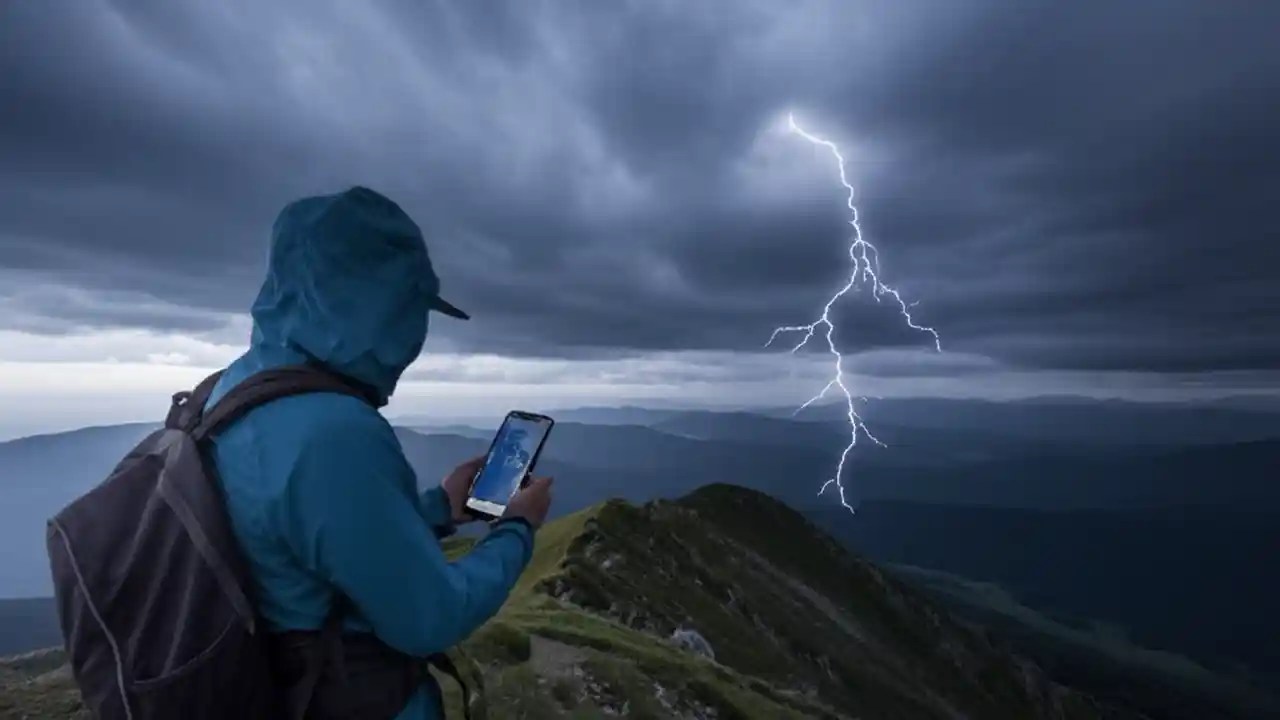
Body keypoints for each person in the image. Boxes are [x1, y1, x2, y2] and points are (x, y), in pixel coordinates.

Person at [203, 186, 553, 719]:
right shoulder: (332, 431)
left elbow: (304, 531)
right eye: (411, 309)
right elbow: (431, 618)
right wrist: (518, 528)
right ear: (380, 307)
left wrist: (439, 508)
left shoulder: (235, 389)